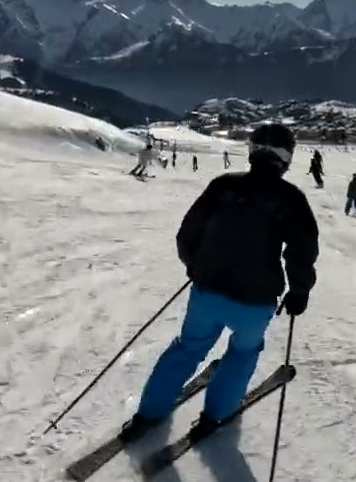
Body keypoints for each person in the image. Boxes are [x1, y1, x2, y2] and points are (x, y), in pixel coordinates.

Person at [120, 122, 319, 440]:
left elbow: (188, 233)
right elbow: (302, 250)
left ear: (252, 151)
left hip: (208, 291)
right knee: (242, 353)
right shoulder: (291, 198)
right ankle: (216, 415)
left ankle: (149, 413)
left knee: (187, 349)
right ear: (286, 158)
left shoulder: (224, 185)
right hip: (255, 301)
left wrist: (195, 266)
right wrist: (299, 291)